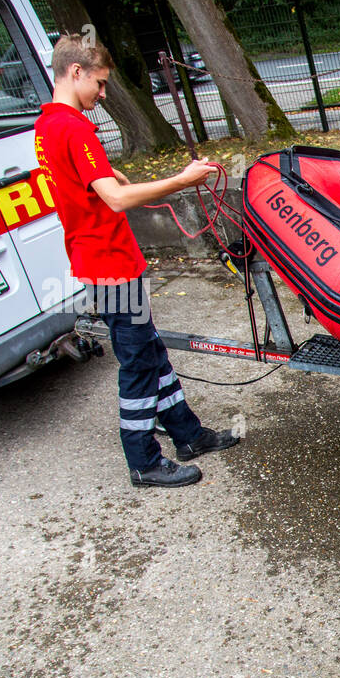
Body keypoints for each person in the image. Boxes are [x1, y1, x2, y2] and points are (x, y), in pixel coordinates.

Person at [34, 34, 238, 487]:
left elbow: (87, 181)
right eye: (100, 84)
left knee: (150, 351)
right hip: (110, 265)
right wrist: (182, 180)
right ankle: (143, 461)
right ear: (75, 73)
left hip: (103, 261)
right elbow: (116, 199)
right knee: (139, 363)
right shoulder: (73, 127)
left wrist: (106, 171)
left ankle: (187, 434)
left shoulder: (47, 126)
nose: (102, 95)